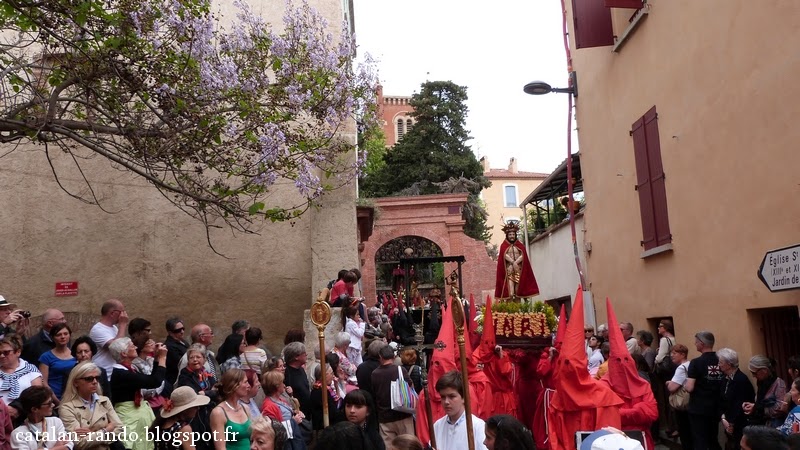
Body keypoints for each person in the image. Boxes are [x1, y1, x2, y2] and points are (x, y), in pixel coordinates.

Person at [109, 337, 167, 450]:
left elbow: (152, 379)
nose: (136, 347)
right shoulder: (121, 374)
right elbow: (155, 381)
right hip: (128, 417)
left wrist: (156, 358)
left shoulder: (128, 370)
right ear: (124, 353)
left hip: (138, 414)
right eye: (132, 346)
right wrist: (162, 358)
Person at [59, 361, 123, 448]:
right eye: (89, 379)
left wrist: (92, 434)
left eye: (97, 378)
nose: (95, 382)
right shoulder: (67, 408)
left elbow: (120, 429)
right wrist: (105, 430)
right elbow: (79, 443)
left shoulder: (104, 401)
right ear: (76, 383)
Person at [685, 331, 725, 450]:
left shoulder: (696, 362)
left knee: (700, 440)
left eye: (696, 342)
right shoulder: (721, 360)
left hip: (699, 407)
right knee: (713, 438)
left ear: (702, 344)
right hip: (716, 406)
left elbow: (690, 387)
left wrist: (684, 386)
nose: (695, 344)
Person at [433, 370, 488, 450]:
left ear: (463, 398)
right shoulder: (438, 426)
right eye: (443, 397)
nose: (446, 402)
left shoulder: (477, 426)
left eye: (452, 396)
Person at [371, 345, 414, 447]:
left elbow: (374, 393)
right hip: (403, 413)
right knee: (408, 446)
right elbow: (411, 386)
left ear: (380, 357)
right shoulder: (400, 370)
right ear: (394, 357)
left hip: (385, 416)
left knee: (389, 447)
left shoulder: (374, 374)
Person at [10, 386, 72, 450]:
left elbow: (68, 445)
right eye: (49, 403)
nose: (53, 405)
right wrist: (56, 447)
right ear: (34, 409)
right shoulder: (18, 433)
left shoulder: (55, 421)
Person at [718, 348, 756, 449]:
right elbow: (721, 400)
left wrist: (731, 424)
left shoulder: (741, 380)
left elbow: (740, 403)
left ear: (729, 364)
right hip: (728, 421)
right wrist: (723, 418)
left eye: (721, 362)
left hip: (740, 424)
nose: (719, 364)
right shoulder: (724, 379)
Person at [151, 386, 210, 450]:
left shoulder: (162, 423)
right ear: (186, 409)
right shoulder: (183, 429)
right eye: (195, 407)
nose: (198, 408)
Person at [260, 370, 306, 450]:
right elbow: (273, 430)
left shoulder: (280, 400)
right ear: (277, 386)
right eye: (282, 382)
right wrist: (293, 421)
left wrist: (296, 413)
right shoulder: (269, 406)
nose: (284, 385)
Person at [494, 220, 538, 299]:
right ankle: (510, 309)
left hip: (518, 271)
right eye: (510, 234)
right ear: (507, 235)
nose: (511, 236)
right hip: (509, 272)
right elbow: (504, 255)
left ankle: (517, 309)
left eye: (513, 234)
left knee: (518, 293)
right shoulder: (503, 246)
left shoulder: (520, 245)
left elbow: (523, 256)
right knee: (510, 293)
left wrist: (515, 263)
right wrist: (512, 263)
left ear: (515, 235)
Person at [209, 368, 252, 450]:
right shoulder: (218, 413)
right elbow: (220, 448)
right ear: (234, 386)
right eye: (245, 382)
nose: (249, 386)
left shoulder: (245, 408)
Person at [743, 355, 788, 427]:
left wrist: (758, 409)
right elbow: (760, 403)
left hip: (773, 426)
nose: (753, 376)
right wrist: (754, 406)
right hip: (761, 423)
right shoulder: (761, 383)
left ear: (764, 370)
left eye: (754, 373)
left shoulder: (779, 383)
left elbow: (780, 408)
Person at [90, 299, 129, 380]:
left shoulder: (114, 328)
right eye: (121, 312)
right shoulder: (98, 329)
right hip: (103, 374)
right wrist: (123, 324)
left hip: (113, 374)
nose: (123, 315)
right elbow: (118, 347)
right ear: (112, 313)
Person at [38, 323, 76, 402]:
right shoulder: (46, 357)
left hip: (74, 396)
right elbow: (43, 382)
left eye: (65, 334)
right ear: (52, 337)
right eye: (59, 335)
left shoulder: (76, 354)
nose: (63, 337)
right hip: (55, 397)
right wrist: (56, 401)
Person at [0, 334, 43, 404]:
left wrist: (17, 408)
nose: (2, 356)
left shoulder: (31, 370)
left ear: (18, 352)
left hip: (24, 412)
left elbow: (37, 396)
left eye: (6, 352)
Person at [665, 343, 692, 449]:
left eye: (674, 353)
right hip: (691, 404)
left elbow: (672, 387)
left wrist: (668, 383)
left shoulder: (681, 368)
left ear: (683, 354)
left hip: (682, 405)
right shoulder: (690, 364)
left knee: (685, 432)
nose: (672, 355)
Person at [310, 363, 344, 430]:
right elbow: (333, 412)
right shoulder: (321, 392)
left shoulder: (326, 388)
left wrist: (336, 386)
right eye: (331, 373)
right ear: (323, 376)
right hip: (326, 427)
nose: (333, 375)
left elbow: (337, 400)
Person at [283, 342, 311, 418]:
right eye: (304, 353)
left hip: (307, 413)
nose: (306, 355)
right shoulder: (286, 373)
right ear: (296, 357)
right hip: (298, 414)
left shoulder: (301, 369)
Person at [164, 317, 189, 384]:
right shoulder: (169, 346)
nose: (182, 332)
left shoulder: (183, 341)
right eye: (178, 330)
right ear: (170, 332)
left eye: (183, 329)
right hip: (177, 379)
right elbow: (180, 363)